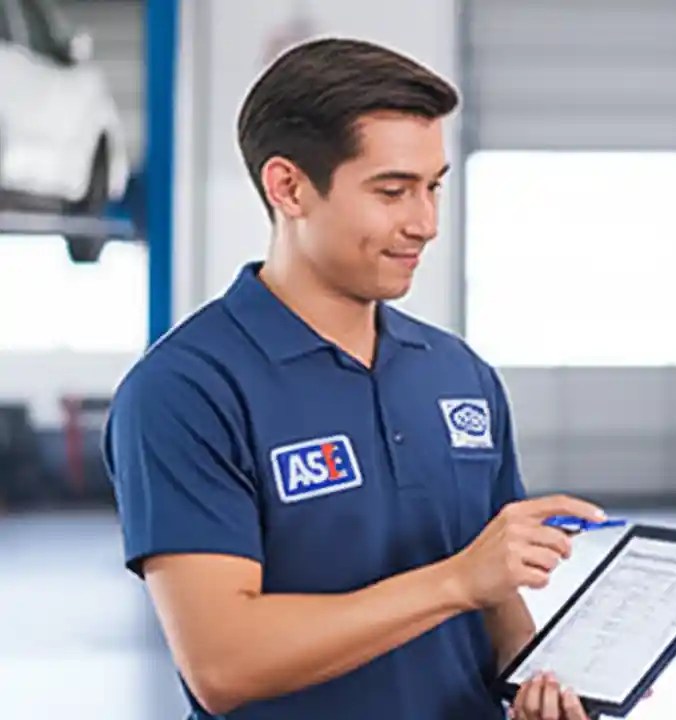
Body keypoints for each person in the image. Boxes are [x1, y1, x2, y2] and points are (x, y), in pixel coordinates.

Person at [102, 38, 600, 720]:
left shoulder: (460, 375)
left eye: (434, 187)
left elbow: (494, 600)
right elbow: (224, 662)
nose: (423, 223)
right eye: (392, 191)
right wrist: (456, 581)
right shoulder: (188, 390)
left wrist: (555, 685)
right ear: (289, 187)